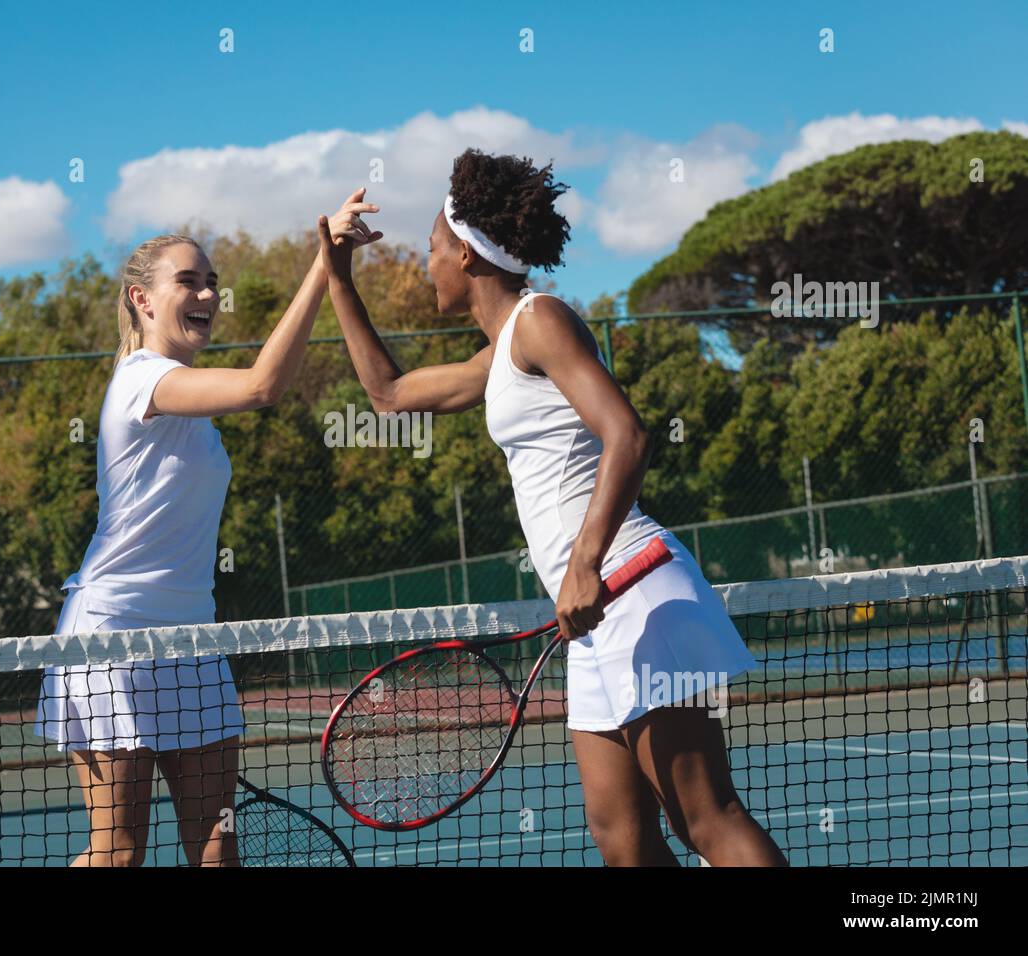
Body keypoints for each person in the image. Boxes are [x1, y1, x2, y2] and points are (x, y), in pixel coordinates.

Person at [320, 150, 786, 866]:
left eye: (435, 247)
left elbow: (628, 434)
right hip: (597, 617)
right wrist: (336, 274)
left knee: (707, 819)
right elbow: (388, 393)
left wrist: (584, 565)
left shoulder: (541, 319)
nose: (427, 261)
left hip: (632, 587)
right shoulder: (502, 351)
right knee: (622, 841)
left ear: (470, 255)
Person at [33, 189, 382, 867]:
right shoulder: (142, 382)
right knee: (118, 856)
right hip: (112, 640)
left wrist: (328, 262)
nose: (207, 295)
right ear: (143, 299)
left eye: (212, 284)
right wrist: (323, 265)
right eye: (187, 282)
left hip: (193, 640)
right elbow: (262, 386)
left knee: (218, 851)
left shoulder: (191, 401)